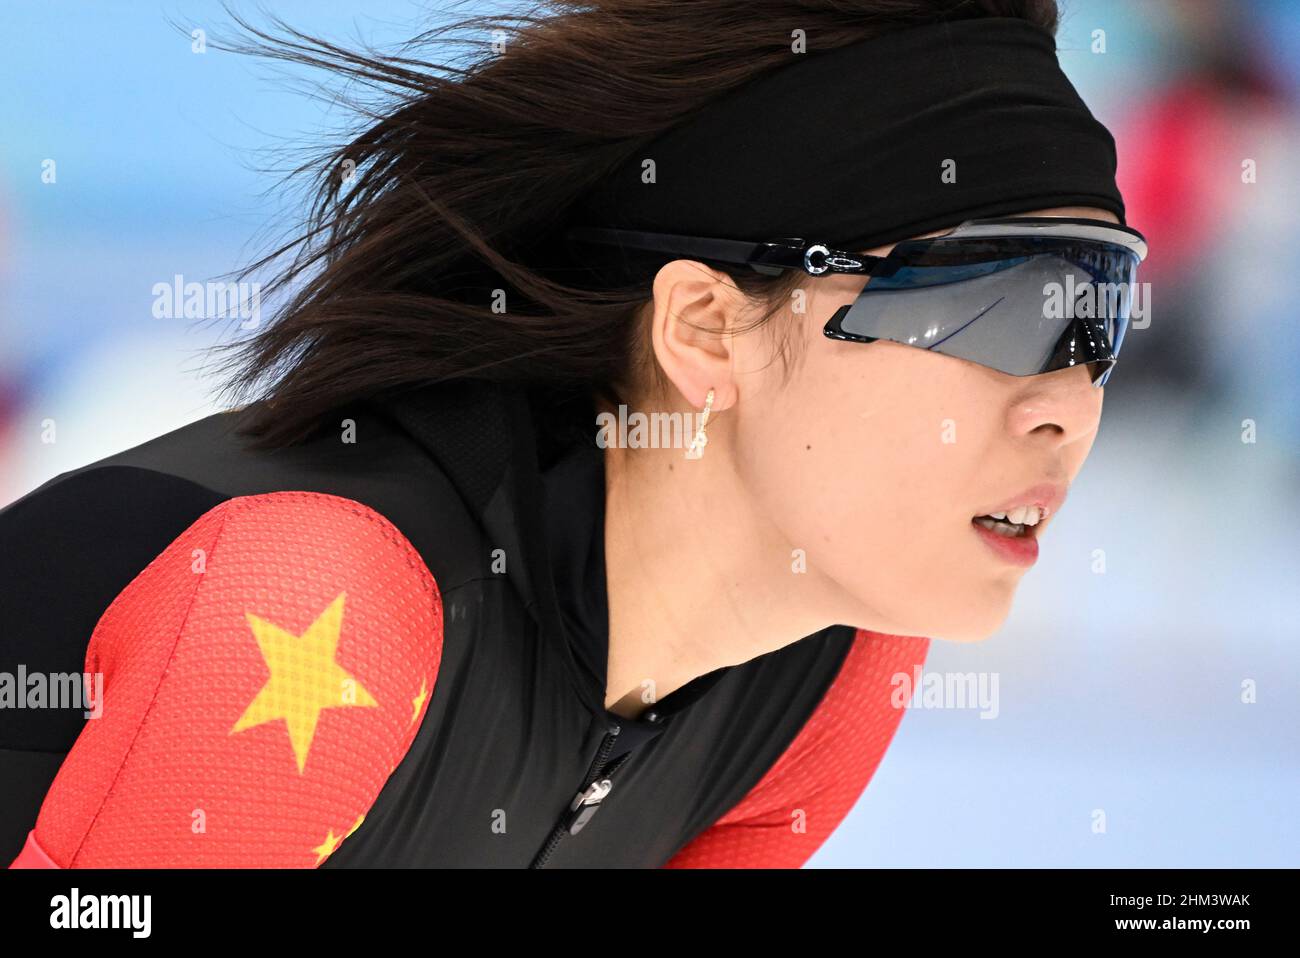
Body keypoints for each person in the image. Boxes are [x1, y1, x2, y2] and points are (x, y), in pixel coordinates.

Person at [0, 0, 1146, 868]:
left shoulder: (832, 660)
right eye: (999, 305)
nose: (1070, 399)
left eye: (1096, 320)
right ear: (704, 329)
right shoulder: (319, 600)